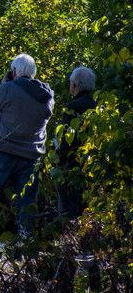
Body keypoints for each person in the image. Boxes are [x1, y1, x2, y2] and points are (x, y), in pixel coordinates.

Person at [0, 53, 55, 242]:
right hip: (31, 156)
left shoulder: (7, 89)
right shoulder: (47, 96)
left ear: (14, 71)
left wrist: (3, 83)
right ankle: (26, 243)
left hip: (3, 152)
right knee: (27, 203)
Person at [55, 66, 96, 221]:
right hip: (91, 167)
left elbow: (66, 140)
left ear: (74, 85)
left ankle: (68, 243)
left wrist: (59, 162)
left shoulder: (73, 107)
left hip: (70, 167)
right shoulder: (97, 105)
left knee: (68, 214)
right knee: (87, 214)